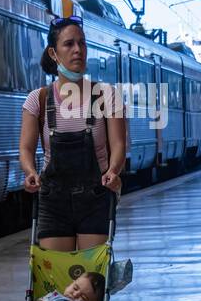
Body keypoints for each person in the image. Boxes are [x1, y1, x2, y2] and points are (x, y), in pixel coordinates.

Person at [18, 15, 128, 254]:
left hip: (96, 199)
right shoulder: (38, 99)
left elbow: (119, 144)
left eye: (82, 43)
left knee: (90, 278)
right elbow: (26, 149)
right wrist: (30, 173)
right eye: (69, 44)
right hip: (53, 202)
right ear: (53, 53)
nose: (78, 50)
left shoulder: (106, 95)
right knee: (56, 280)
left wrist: (113, 171)